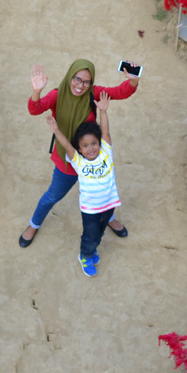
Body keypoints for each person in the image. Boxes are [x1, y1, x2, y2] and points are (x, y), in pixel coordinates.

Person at [20, 58, 140, 247]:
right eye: (77, 79)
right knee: (53, 196)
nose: (80, 85)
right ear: (70, 76)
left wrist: (133, 79)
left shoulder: (95, 94)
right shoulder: (57, 96)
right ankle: (34, 224)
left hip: (94, 159)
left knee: (103, 193)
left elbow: (120, 92)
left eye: (86, 82)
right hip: (68, 162)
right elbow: (35, 109)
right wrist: (37, 91)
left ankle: (109, 218)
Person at [46, 92, 118, 276]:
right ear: (80, 149)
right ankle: (85, 255)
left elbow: (105, 132)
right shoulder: (78, 161)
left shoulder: (105, 152)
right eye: (85, 146)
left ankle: (92, 250)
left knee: (100, 232)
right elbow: (67, 147)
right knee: (90, 235)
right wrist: (56, 130)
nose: (91, 148)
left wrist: (102, 112)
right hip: (90, 209)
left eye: (94, 143)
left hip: (109, 204)